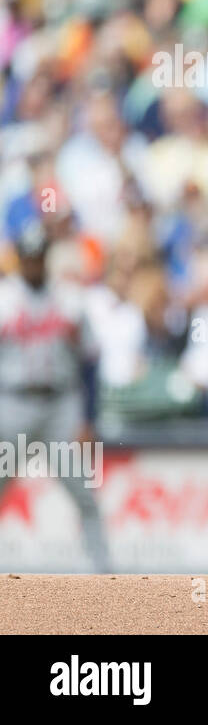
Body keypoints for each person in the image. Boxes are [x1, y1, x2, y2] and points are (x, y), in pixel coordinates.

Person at [0, 223, 109, 571]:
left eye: (38, 257)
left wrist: (89, 416)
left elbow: (91, 361)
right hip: (11, 404)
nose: (33, 263)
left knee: (83, 492)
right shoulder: (3, 299)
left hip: (60, 407)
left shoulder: (70, 299)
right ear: (20, 259)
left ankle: (104, 577)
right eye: (28, 257)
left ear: (46, 258)